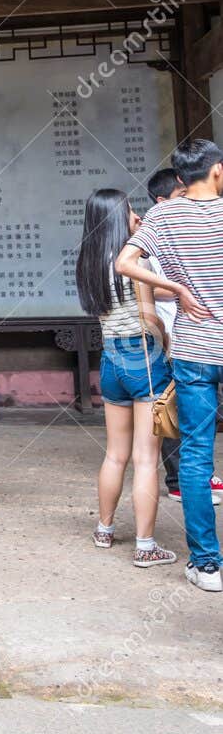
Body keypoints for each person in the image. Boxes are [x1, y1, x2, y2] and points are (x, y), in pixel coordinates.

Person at [116, 138, 223, 593]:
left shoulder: (162, 215)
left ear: (180, 178)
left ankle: (208, 565)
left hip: (196, 351)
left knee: (197, 457)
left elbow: (124, 262)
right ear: (216, 171)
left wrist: (176, 289)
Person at [75, 189, 175, 567]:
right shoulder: (134, 265)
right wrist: (164, 344)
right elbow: (149, 318)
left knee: (115, 454)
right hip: (144, 359)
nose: (136, 214)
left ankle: (104, 528)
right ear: (119, 217)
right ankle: (146, 546)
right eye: (131, 210)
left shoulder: (90, 263)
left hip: (111, 359)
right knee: (145, 459)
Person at [144, 166, 222, 509]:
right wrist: (184, 288)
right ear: (162, 202)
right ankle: (178, 480)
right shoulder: (159, 230)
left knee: (198, 421)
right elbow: (146, 287)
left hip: (199, 335)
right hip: (175, 336)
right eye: (181, 197)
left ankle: (201, 476)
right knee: (175, 412)